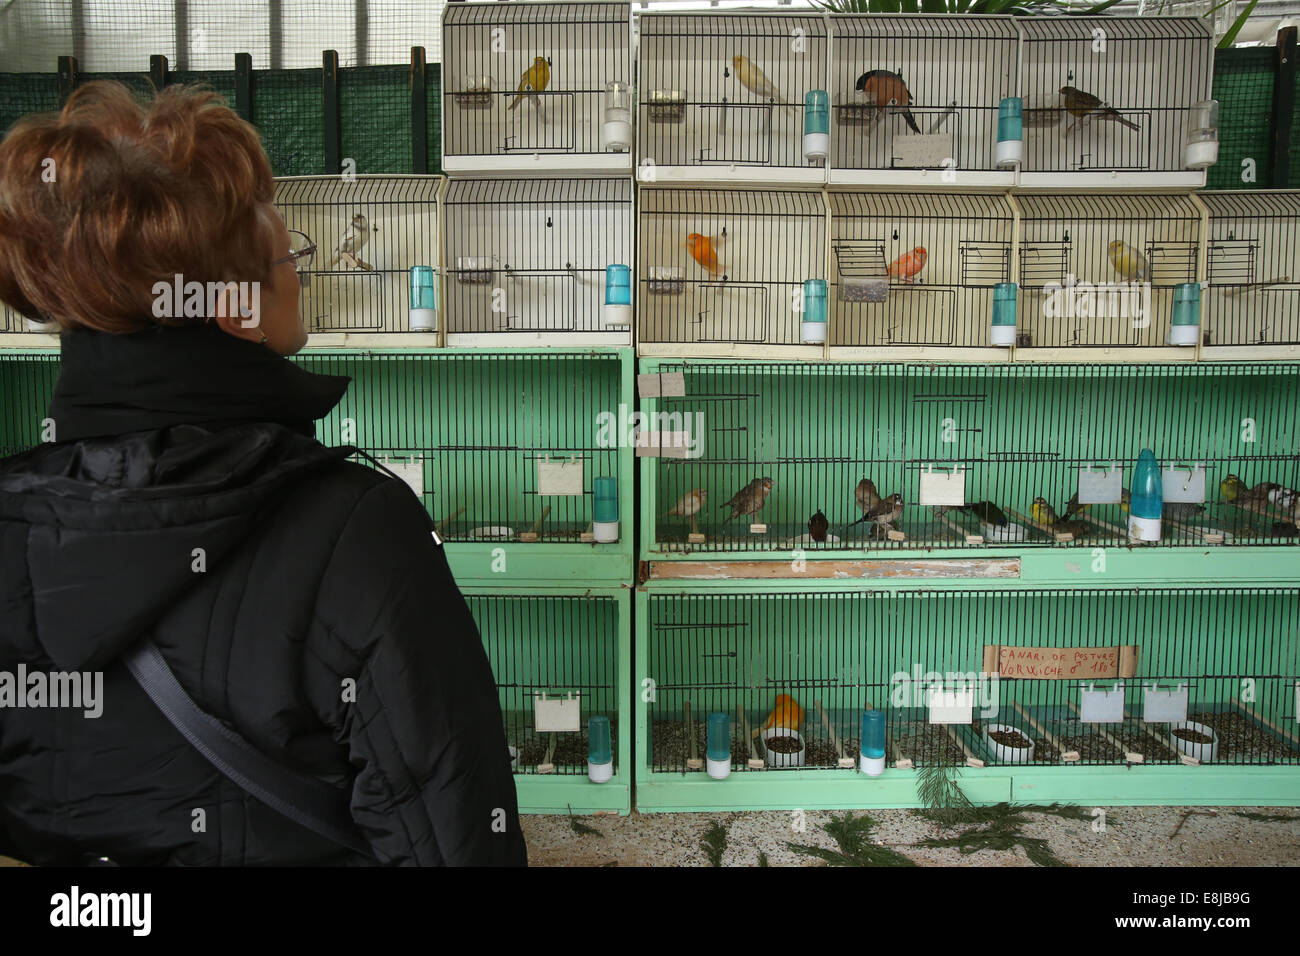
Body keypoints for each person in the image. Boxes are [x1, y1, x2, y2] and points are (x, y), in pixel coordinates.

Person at [0, 81, 527, 866]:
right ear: (235, 305)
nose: (301, 274)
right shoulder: (355, 529)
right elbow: (450, 837)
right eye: (292, 255)